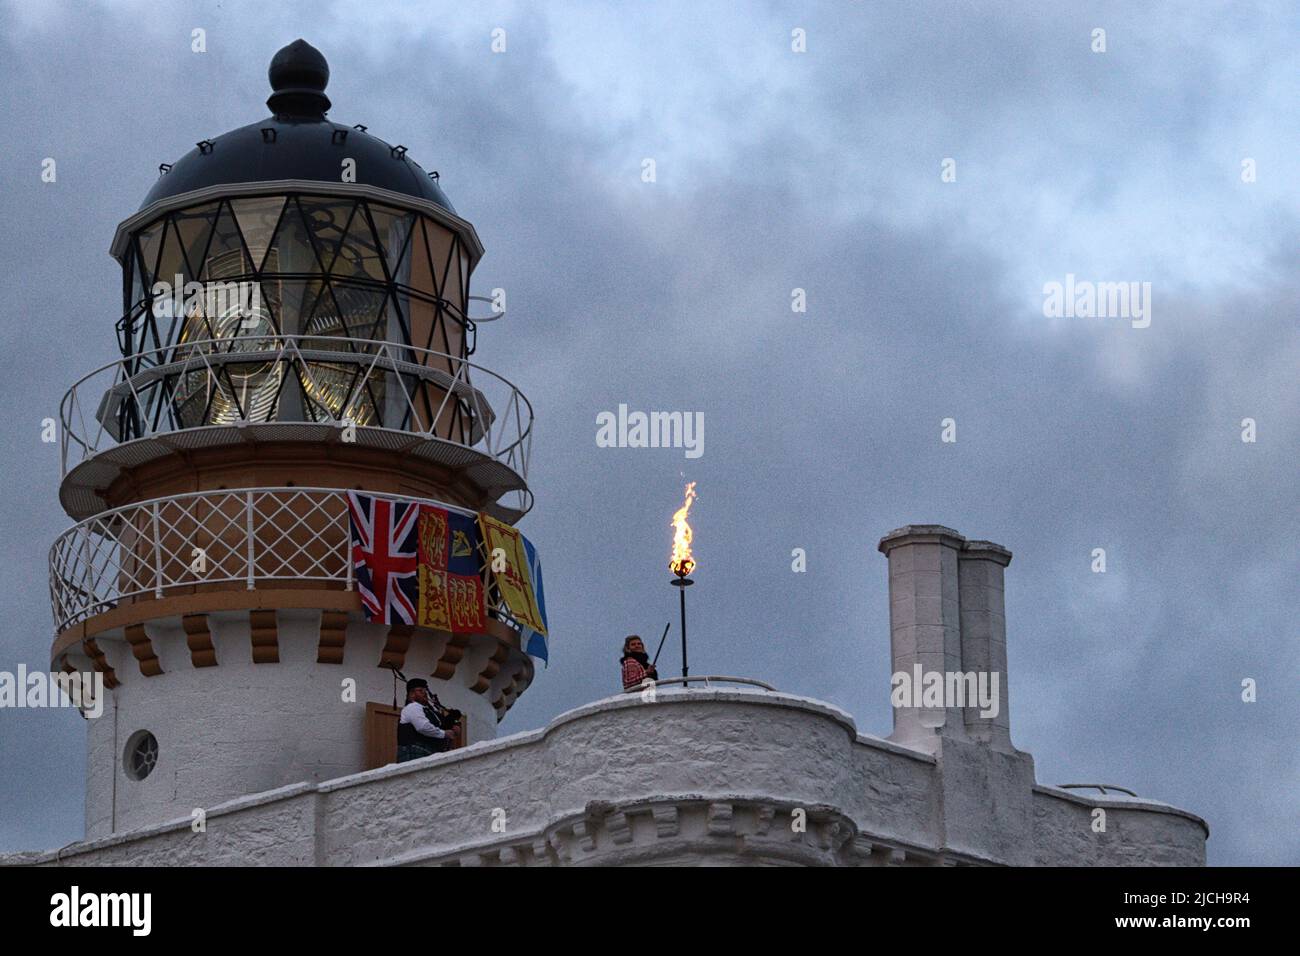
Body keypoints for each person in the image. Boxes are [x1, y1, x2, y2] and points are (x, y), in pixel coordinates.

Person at [397, 678, 457, 762]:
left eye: (425, 691)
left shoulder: (428, 711)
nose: (424, 693)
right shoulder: (412, 707)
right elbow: (422, 727)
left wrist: (453, 724)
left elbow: (440, 724)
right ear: (411, 694)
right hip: (416, 751)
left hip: (429, 752)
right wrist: (444, 733)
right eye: (420, 690)